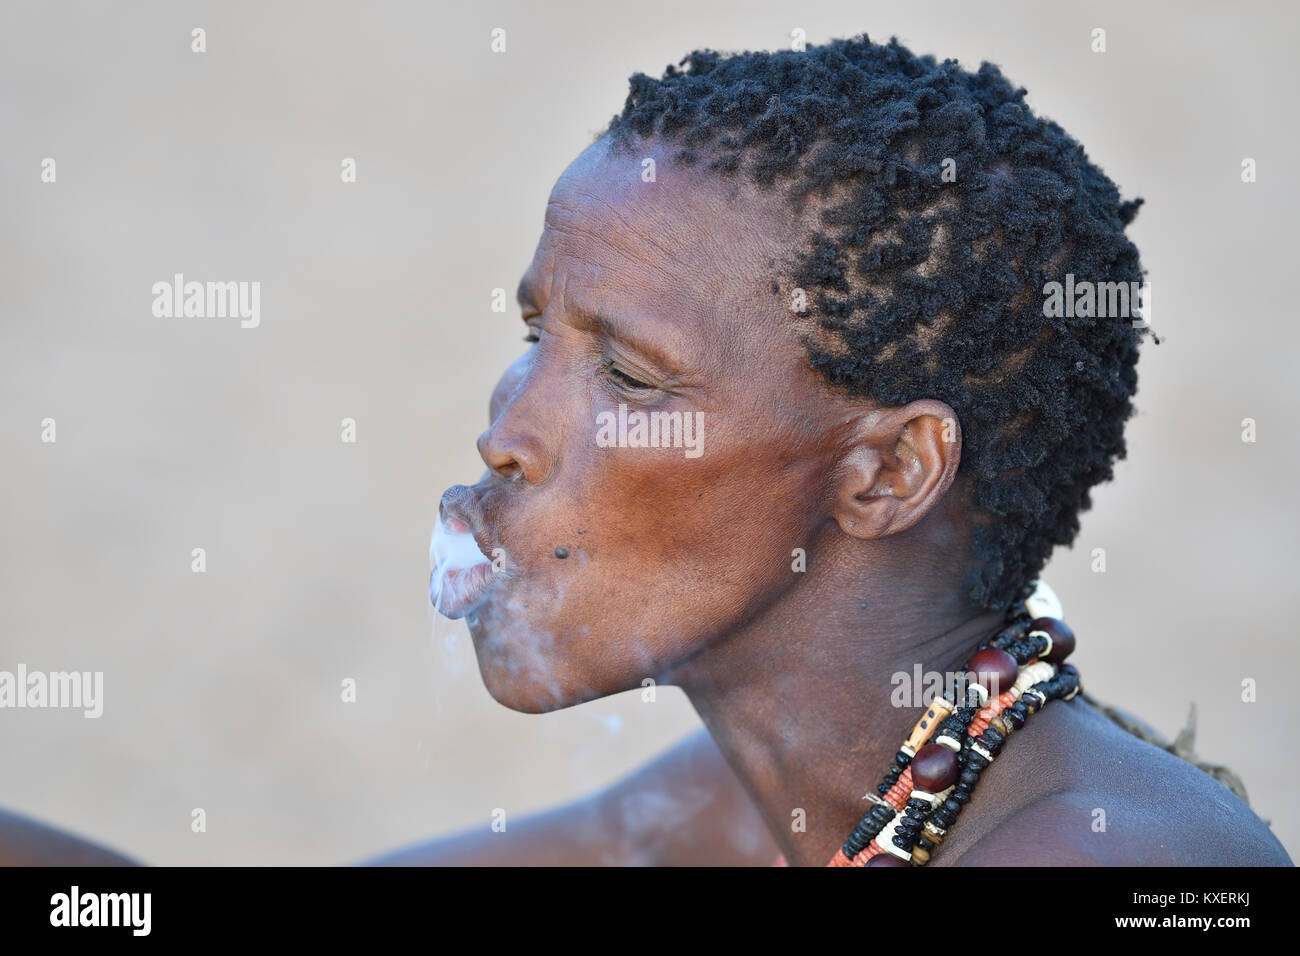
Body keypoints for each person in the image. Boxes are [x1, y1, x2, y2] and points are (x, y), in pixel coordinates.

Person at [3, 34, 1290, 867]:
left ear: (886, 473)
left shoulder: (1133, 864)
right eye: (535, 333)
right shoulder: (750, 811)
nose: (506, 431)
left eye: (628, 371)